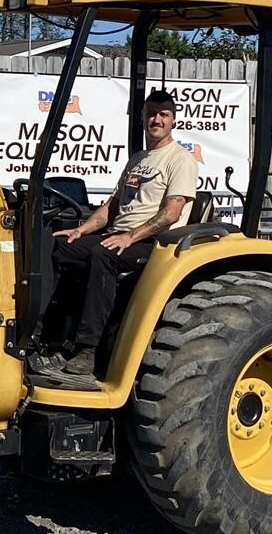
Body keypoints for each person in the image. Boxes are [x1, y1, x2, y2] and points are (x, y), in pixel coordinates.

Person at [36, 88, 201, 380]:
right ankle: (50, 337)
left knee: (103, 254)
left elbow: (172, 213)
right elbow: (111, 206)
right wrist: (81, 229)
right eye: (151, 113)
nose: (156, 119)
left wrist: (130, 236)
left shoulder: (180, 160)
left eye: (163, 114)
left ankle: (89, 351)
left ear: (173, 120)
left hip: (155, 243)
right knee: (59, 245)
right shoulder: (137, 159)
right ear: (142, 118)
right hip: (119, 234)